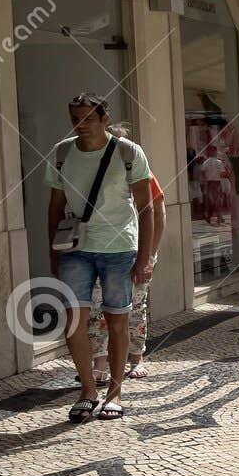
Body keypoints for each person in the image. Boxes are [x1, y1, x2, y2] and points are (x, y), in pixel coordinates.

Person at [47, 97, 155, 422]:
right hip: (75, 248)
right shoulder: (63, 153)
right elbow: (54, 207)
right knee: (73, 323)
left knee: (117, 320)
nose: (81, 125)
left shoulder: (128, 152)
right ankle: (88, 390)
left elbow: (147, 208)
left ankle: (115, 392)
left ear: (104, 118)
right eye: (75, 118)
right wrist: (53, 253)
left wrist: (145, 257)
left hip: (119, 248)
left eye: (87, 118)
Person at [80, 123, 165, 389]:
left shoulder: (141, 172)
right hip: (96, 249)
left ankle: (136, 358)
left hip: (132, 251)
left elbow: (159, 212)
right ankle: (100, 363)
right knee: (96, 307)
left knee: (134, 306)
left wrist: (149, 255)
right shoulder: (87, 171)